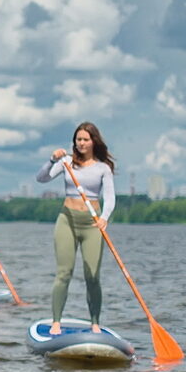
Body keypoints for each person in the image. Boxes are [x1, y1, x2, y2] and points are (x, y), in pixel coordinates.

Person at [34, 122, 116, 334]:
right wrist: (52, 160)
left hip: (92, 225)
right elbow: (41, 178)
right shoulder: (67, 163)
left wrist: (104, 218)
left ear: (93, 142)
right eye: (78, 139)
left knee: (92, 276)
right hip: (67, 221)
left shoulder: (103, 168)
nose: (81, 143)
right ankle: (56, 322)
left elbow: (109, 197)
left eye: (85, 139)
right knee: (64, 273)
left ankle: (95, 323)